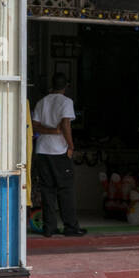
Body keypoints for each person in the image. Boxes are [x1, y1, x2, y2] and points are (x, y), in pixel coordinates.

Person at [32, 73, 87, 237]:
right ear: (66, 86)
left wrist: (49, 131)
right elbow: (65, 124)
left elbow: (34, 126)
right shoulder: (66, 102)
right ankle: (70, 226)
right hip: (59, 151)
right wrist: (71, 146)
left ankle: (49, 227)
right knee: (66, 190)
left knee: (47, 190)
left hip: (42, 150)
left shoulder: (42, 102)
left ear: (52, 85)